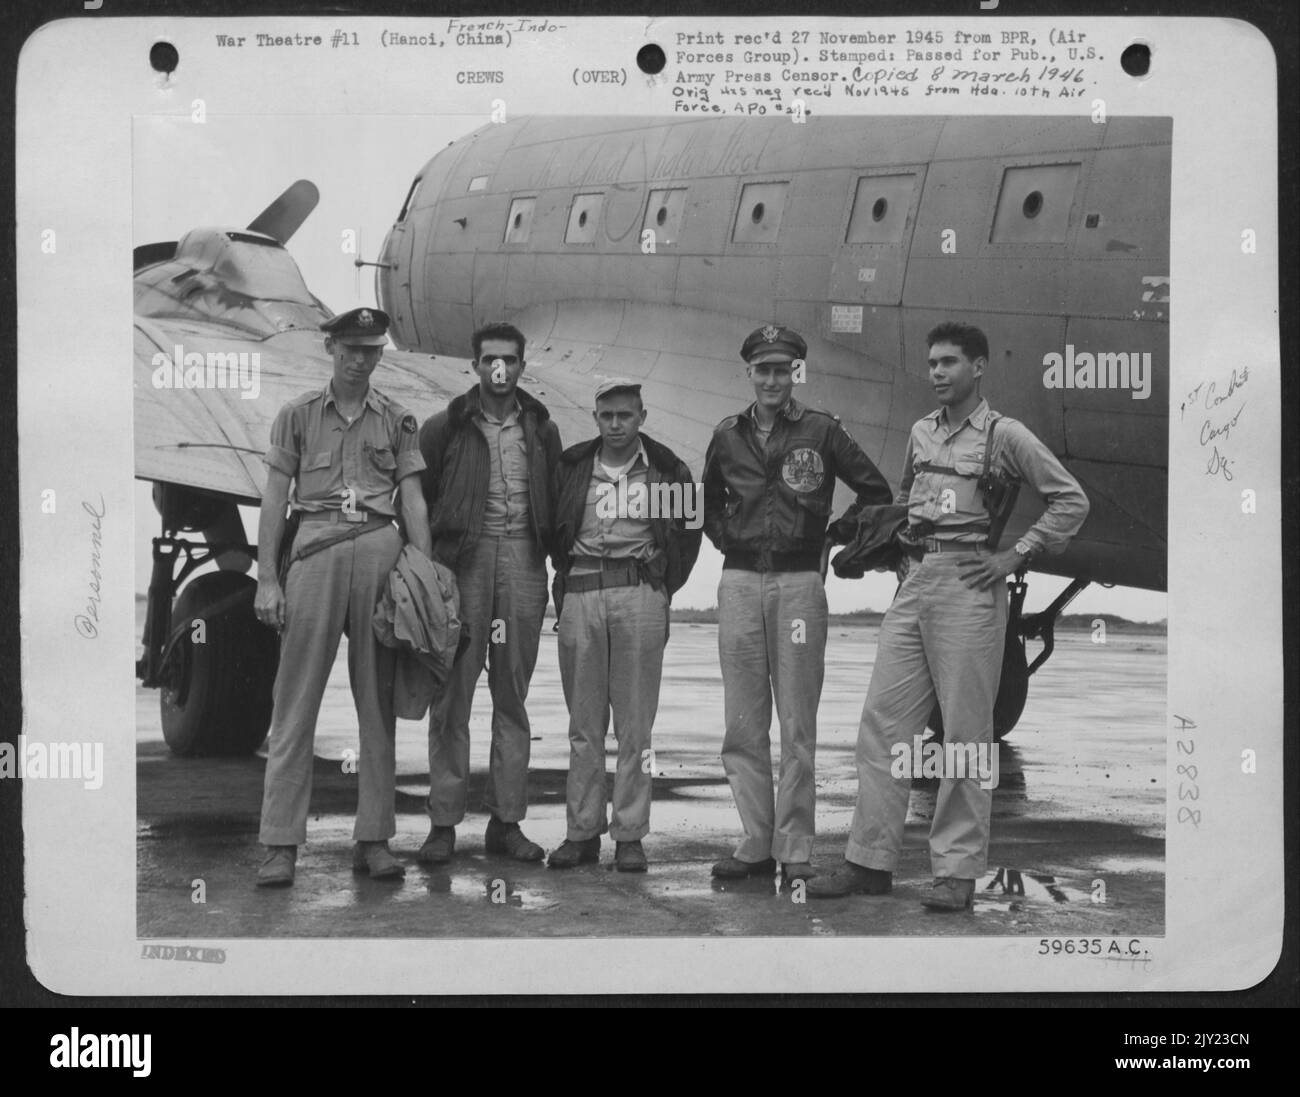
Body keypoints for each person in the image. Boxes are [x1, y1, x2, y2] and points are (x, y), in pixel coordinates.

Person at [808, 321, 1090, 910]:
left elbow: (1070, 500)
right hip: (917, 582)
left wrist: (1016, 554)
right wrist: (901, 550)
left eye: (950, 363)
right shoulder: (920, 432)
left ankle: (958, 875)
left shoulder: (1004, 437)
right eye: (933, 362)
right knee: (882, 726)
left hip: (970, 584)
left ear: (978, 367)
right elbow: (910, 496)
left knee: (964, 735)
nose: (937, 372)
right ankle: (868, 861)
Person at [703, 324, 892, 884]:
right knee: (742, 722)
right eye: (762, 370)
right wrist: (730, 537)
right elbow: (708, 500)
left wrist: (832, 535)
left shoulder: (822, 430)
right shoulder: (727, 435)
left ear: (795, 374)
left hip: (799, 585)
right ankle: (756, 843)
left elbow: (875, 491)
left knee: (797, 724)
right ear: (750, 374)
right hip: (739, 582)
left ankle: (796, 848)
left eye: (781, 370)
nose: (771, 380)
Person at [253, 307, 430, 887]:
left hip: (381, 553)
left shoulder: (398, 420)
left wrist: (422, 579)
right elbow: (275, 499)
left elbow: (413, 501)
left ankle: (374, 840)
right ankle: (280, 844)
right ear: (331, 349)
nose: (360, 359)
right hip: (315, 553)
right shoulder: (297, 416)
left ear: (381, 354)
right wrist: (267, 578)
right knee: (294, 700)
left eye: (371, 350)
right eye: (350, 349)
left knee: (378, 704)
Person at [416, 322, 562, 864]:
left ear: (522, 366)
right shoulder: (445, 428)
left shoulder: (542, 429)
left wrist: (561, 568)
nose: (499, 368)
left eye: (509, 359)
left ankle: (507, 823)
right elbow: (417, 501)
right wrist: (429, 573)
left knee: (512, 700)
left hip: (525, 562)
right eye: (488, 359)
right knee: (452, 699)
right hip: (464, 568)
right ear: (475, 366)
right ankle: (443, 824)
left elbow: (558, 503)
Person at [547, 379, 702, 872]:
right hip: (582, 596)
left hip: (639, 595)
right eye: (607, 415)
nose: (616, 424)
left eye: (625, 416)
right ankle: (581, 832)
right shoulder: (572, 468)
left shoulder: (668, 469)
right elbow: (553, 527)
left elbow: (691, 533)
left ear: (642, 417)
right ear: (595, 417)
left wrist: (660, 587)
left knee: (635, 726)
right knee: (583, 726)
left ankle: (630, 834)